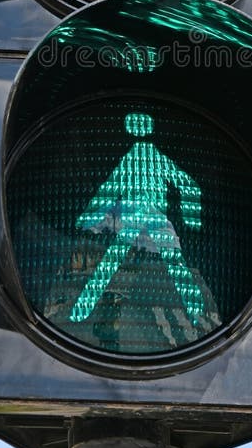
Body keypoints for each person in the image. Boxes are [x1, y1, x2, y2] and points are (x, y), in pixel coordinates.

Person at [70, 111, 205, 324]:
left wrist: (88, 218)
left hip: (138, 217)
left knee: (111, 262)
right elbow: (189, 186)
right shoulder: (154, 158)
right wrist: (191, 221)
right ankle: (196, 312)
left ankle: (81, 309)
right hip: (150, 218)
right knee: (175, 266)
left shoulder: (137, 158)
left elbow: (109, 190)